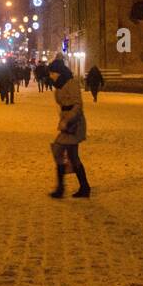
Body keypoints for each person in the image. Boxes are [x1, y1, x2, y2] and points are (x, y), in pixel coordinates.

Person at [47, 57, 90, 199]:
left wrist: (68, 120)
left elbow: (78, 105)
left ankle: (63, 188)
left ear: (59, 72)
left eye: (52, 73)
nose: (50, 76)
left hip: (74, 124)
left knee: (61, 151)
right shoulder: (59, 85)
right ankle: (82, 187)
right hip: (66, 124)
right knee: (69, 155)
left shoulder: (71, 83)